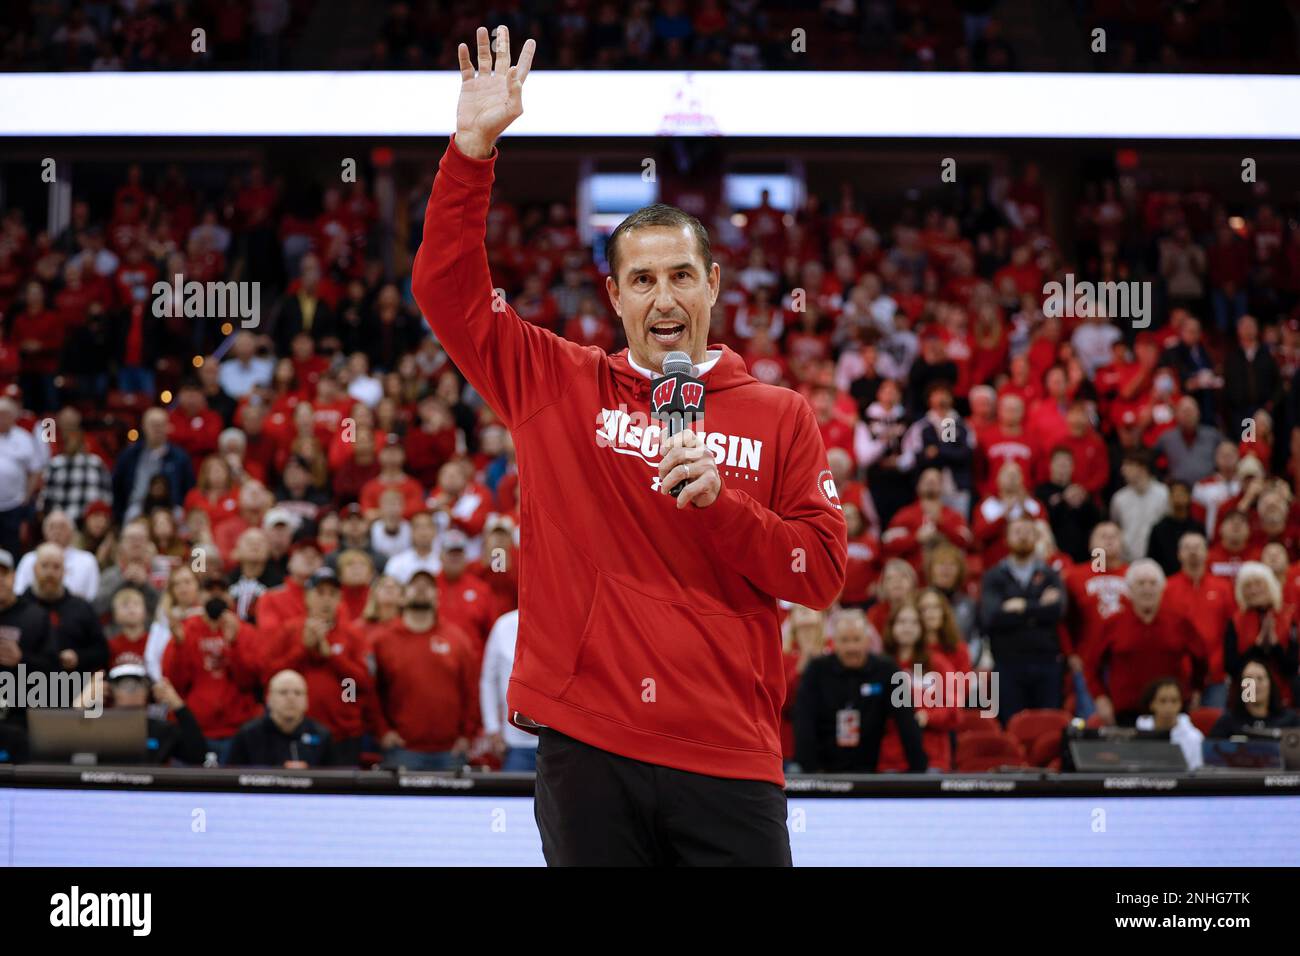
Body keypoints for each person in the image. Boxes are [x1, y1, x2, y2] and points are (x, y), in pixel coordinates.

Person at [413, 27, 845, 866]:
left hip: (730, 758)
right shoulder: (556, 383)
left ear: (713, 284)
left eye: (682, 275)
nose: (665, 296)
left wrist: (725, 507)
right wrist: (471, 152)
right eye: (642, 280)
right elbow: (445, 290)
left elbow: (819, 578)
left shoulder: (780, 413)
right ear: (614, 296)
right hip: (590, 749)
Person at [258, 567, 372, 766]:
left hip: (343, 735)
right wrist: (303, 649)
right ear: (307, 597)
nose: (326, 600)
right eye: (320, 593)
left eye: (332, 594)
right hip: (294, 733)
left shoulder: (352, 635)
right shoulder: (289, 630)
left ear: (339, 600)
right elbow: (268, 677)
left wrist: (333, 657)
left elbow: (360, 685)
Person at [793, 608, 927, 773]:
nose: (851, 648)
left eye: (856, 639)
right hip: (822, 770)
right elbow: (804, 723)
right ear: (833, 642)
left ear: (868, 641)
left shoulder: (888, 670)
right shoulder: (816, 670)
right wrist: (811, 773)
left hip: (872, 770)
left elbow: (906, 721)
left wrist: (918, 771)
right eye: (844, 640)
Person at [371, 570, 477, 770]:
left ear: (437, 597)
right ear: (402, 597)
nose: (421, 589)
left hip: (450, 750)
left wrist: (467, 735)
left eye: (428, 586)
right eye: (414, 585)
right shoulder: (383, 640)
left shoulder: (457, 639)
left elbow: (471, 689)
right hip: (402, 749)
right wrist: (382, 731)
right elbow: (371, 691)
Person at [1089, 559, 1206, 726]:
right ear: (1129, 589)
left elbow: (1201, 658)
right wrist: (1100, 698)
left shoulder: (1179, 622)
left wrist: (1196, 690)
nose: (1147, 588)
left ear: (1162, 588)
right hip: (1126, 713)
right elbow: (1091, 666)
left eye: (1153, 583)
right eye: (1140, 583)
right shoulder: (1113, 623)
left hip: (1171, 712)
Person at [978, 515, 1066, 723]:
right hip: (1007, 662)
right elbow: (991, 617)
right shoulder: (994, 576)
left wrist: (1021, 606)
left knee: (1048, 726)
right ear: (1006, 538)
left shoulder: (1050, 574)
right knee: (1010, 726)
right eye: (1017, 532)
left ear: (1036, 537)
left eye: (1028, 531)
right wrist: (1038, 607)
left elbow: (1057, 611)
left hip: (1046, 661)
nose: (1023, 537)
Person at [1164, 532, 1235, 708]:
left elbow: (1232, 630)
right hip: (1179, 675)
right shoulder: (1167, 587)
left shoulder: (1223, 587)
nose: (1193, 552)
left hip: (1215, 673)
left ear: (1207, 553)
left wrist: (1227, 666)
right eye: (1187, 548)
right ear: (1179, 554)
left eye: (1197, 547)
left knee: (1214, 727)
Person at [18, 543, 108, 676]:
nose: (50, 573)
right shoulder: (18, 607)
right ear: (35, 569)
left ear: (65, 571)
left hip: (72, 687)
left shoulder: (81, 608)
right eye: (44, 566)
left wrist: (78, 657)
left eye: (56, 567)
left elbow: (101, 651)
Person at [1223, 561, 1299, 707]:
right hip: (1248, 692)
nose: (1253, 590)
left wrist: (1275, 644)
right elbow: (1231, 667)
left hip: (1282, 690)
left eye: (1258, 584)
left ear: (1270, 585)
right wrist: (1257, 645)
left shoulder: (1287, 616)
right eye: (1248, 586)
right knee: (1252, 718)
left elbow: (1291, 667)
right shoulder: (1236, 620)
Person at [227, 670, 335, 768]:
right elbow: (231, 779)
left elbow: (335, 781)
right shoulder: (248, 735)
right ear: (269, 699)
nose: (291, 698)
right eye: (283, 692)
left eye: (298, 693)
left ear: (306, 700)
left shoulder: (322, 735)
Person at [110, 407, 195, 522]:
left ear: (168, 427)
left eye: (161, 425)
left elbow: (188, 489)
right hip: (137, 508)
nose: (157, 429)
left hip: (170, 510)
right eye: (153, 425)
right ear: (144, 426)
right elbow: (117, 487)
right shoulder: (129, 455)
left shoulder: (180, 457)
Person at [480, 608, 538, 771]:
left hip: (554, 742)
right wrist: (492, 728)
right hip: (514, 741)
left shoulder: (560, 623)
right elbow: (489, 680)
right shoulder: (503, 625)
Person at [14, 510, 100, 601]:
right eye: (52, 527)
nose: (57, 531)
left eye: (62, 527)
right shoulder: (29, 559)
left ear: (72, 532)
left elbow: (92, 596)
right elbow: (19, 592)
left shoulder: (87, 560)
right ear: (44, 532)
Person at [1209, 651, 1300, 736]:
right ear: (1241, 686)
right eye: (1248, 679)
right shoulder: (1227, 722)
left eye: (1260, 678)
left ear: (1270, 685)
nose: (1254, 684)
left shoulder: (1291, 721)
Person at [0, 396, 44, 559]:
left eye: (5, 414)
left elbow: (36, 469)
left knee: (13, 548)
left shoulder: (24, 438)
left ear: (13, 417)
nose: (2, 418)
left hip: (14, 506)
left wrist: (25, 496)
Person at [1109, 448, 1169, 561]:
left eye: (1128, 465)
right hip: (1126, 558)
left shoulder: (1164, 494)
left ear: (1142, 468)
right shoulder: (1119, 498)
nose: (1122, 470)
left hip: (1157, 557)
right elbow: (1115, 527)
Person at [1135, 677, 1204, 770]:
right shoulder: (1137, 734)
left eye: (1174, 701)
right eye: (1162, 701)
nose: (1169, 707)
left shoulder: (1194, 737)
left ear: (1180, 704)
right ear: (1151, 704)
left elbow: (1197, 772)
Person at [1146, 481, 1204, 577]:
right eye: (1174, 493)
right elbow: (1152, 559)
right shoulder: (1159, 528)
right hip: (1166, 579)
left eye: (1182, 493)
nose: (1178, 496)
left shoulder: (1198, 527)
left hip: (1194, 577)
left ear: (1189, 497)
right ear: (1169, 498)